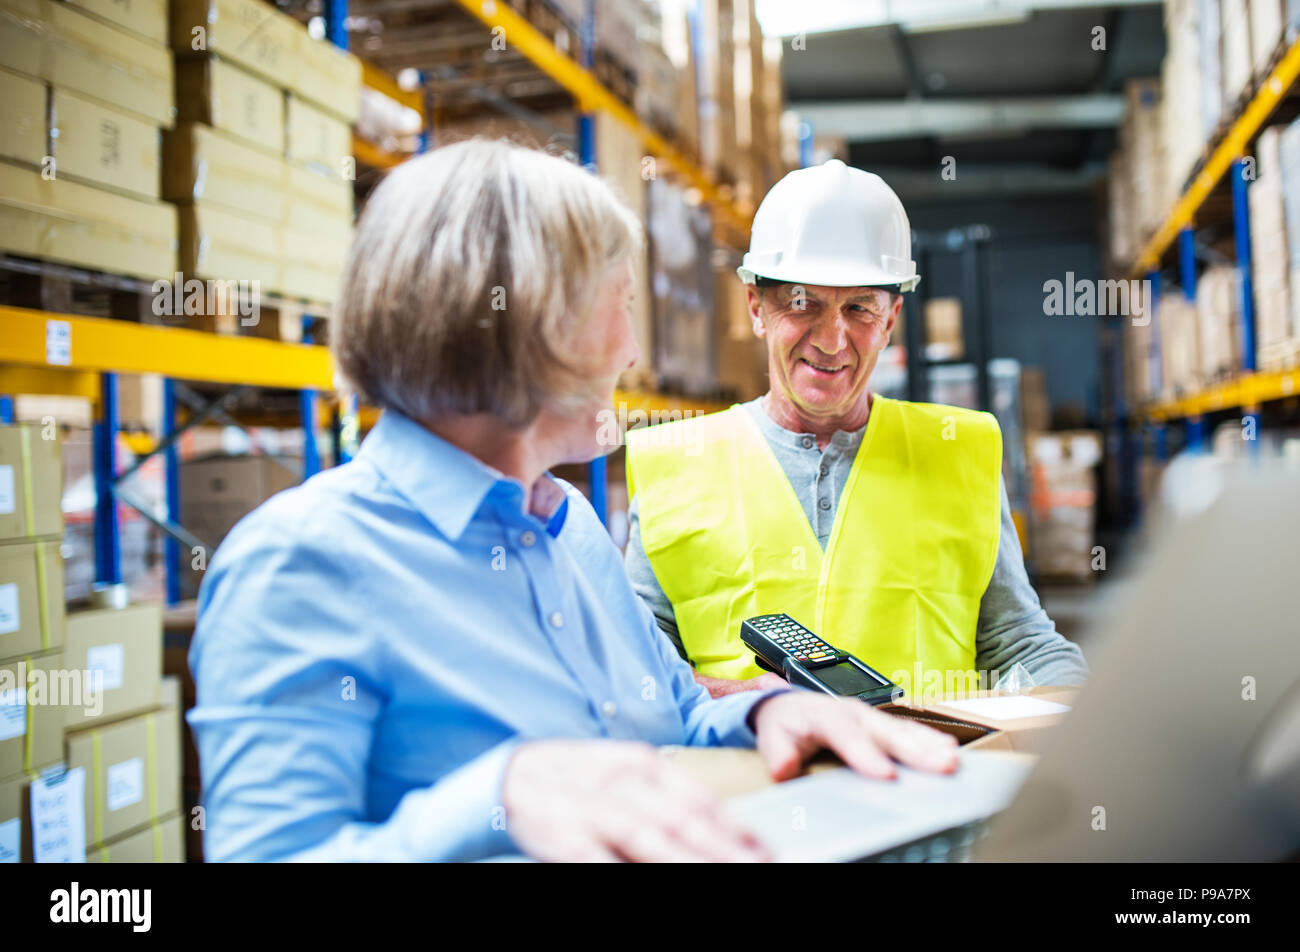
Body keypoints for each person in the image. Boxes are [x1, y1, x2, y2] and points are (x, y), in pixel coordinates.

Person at [187, 140, 961, 863]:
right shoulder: (300, 563)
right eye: (619, 303)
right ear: (525, 322)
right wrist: (501, 792)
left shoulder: (570, 528)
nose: (631, 349)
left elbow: (676, 716)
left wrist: (766, 713)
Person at [624, 159, 1088, 700]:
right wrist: (753, 703)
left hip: (925, 777)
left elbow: (1022, 645)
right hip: (751, 779)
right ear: (757, 308)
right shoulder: (676, 463)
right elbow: (635, 667)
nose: (832, 339)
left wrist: (1075, 717)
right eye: (803, 303)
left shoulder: (960, 453)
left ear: (890, 320)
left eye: (860, 307)